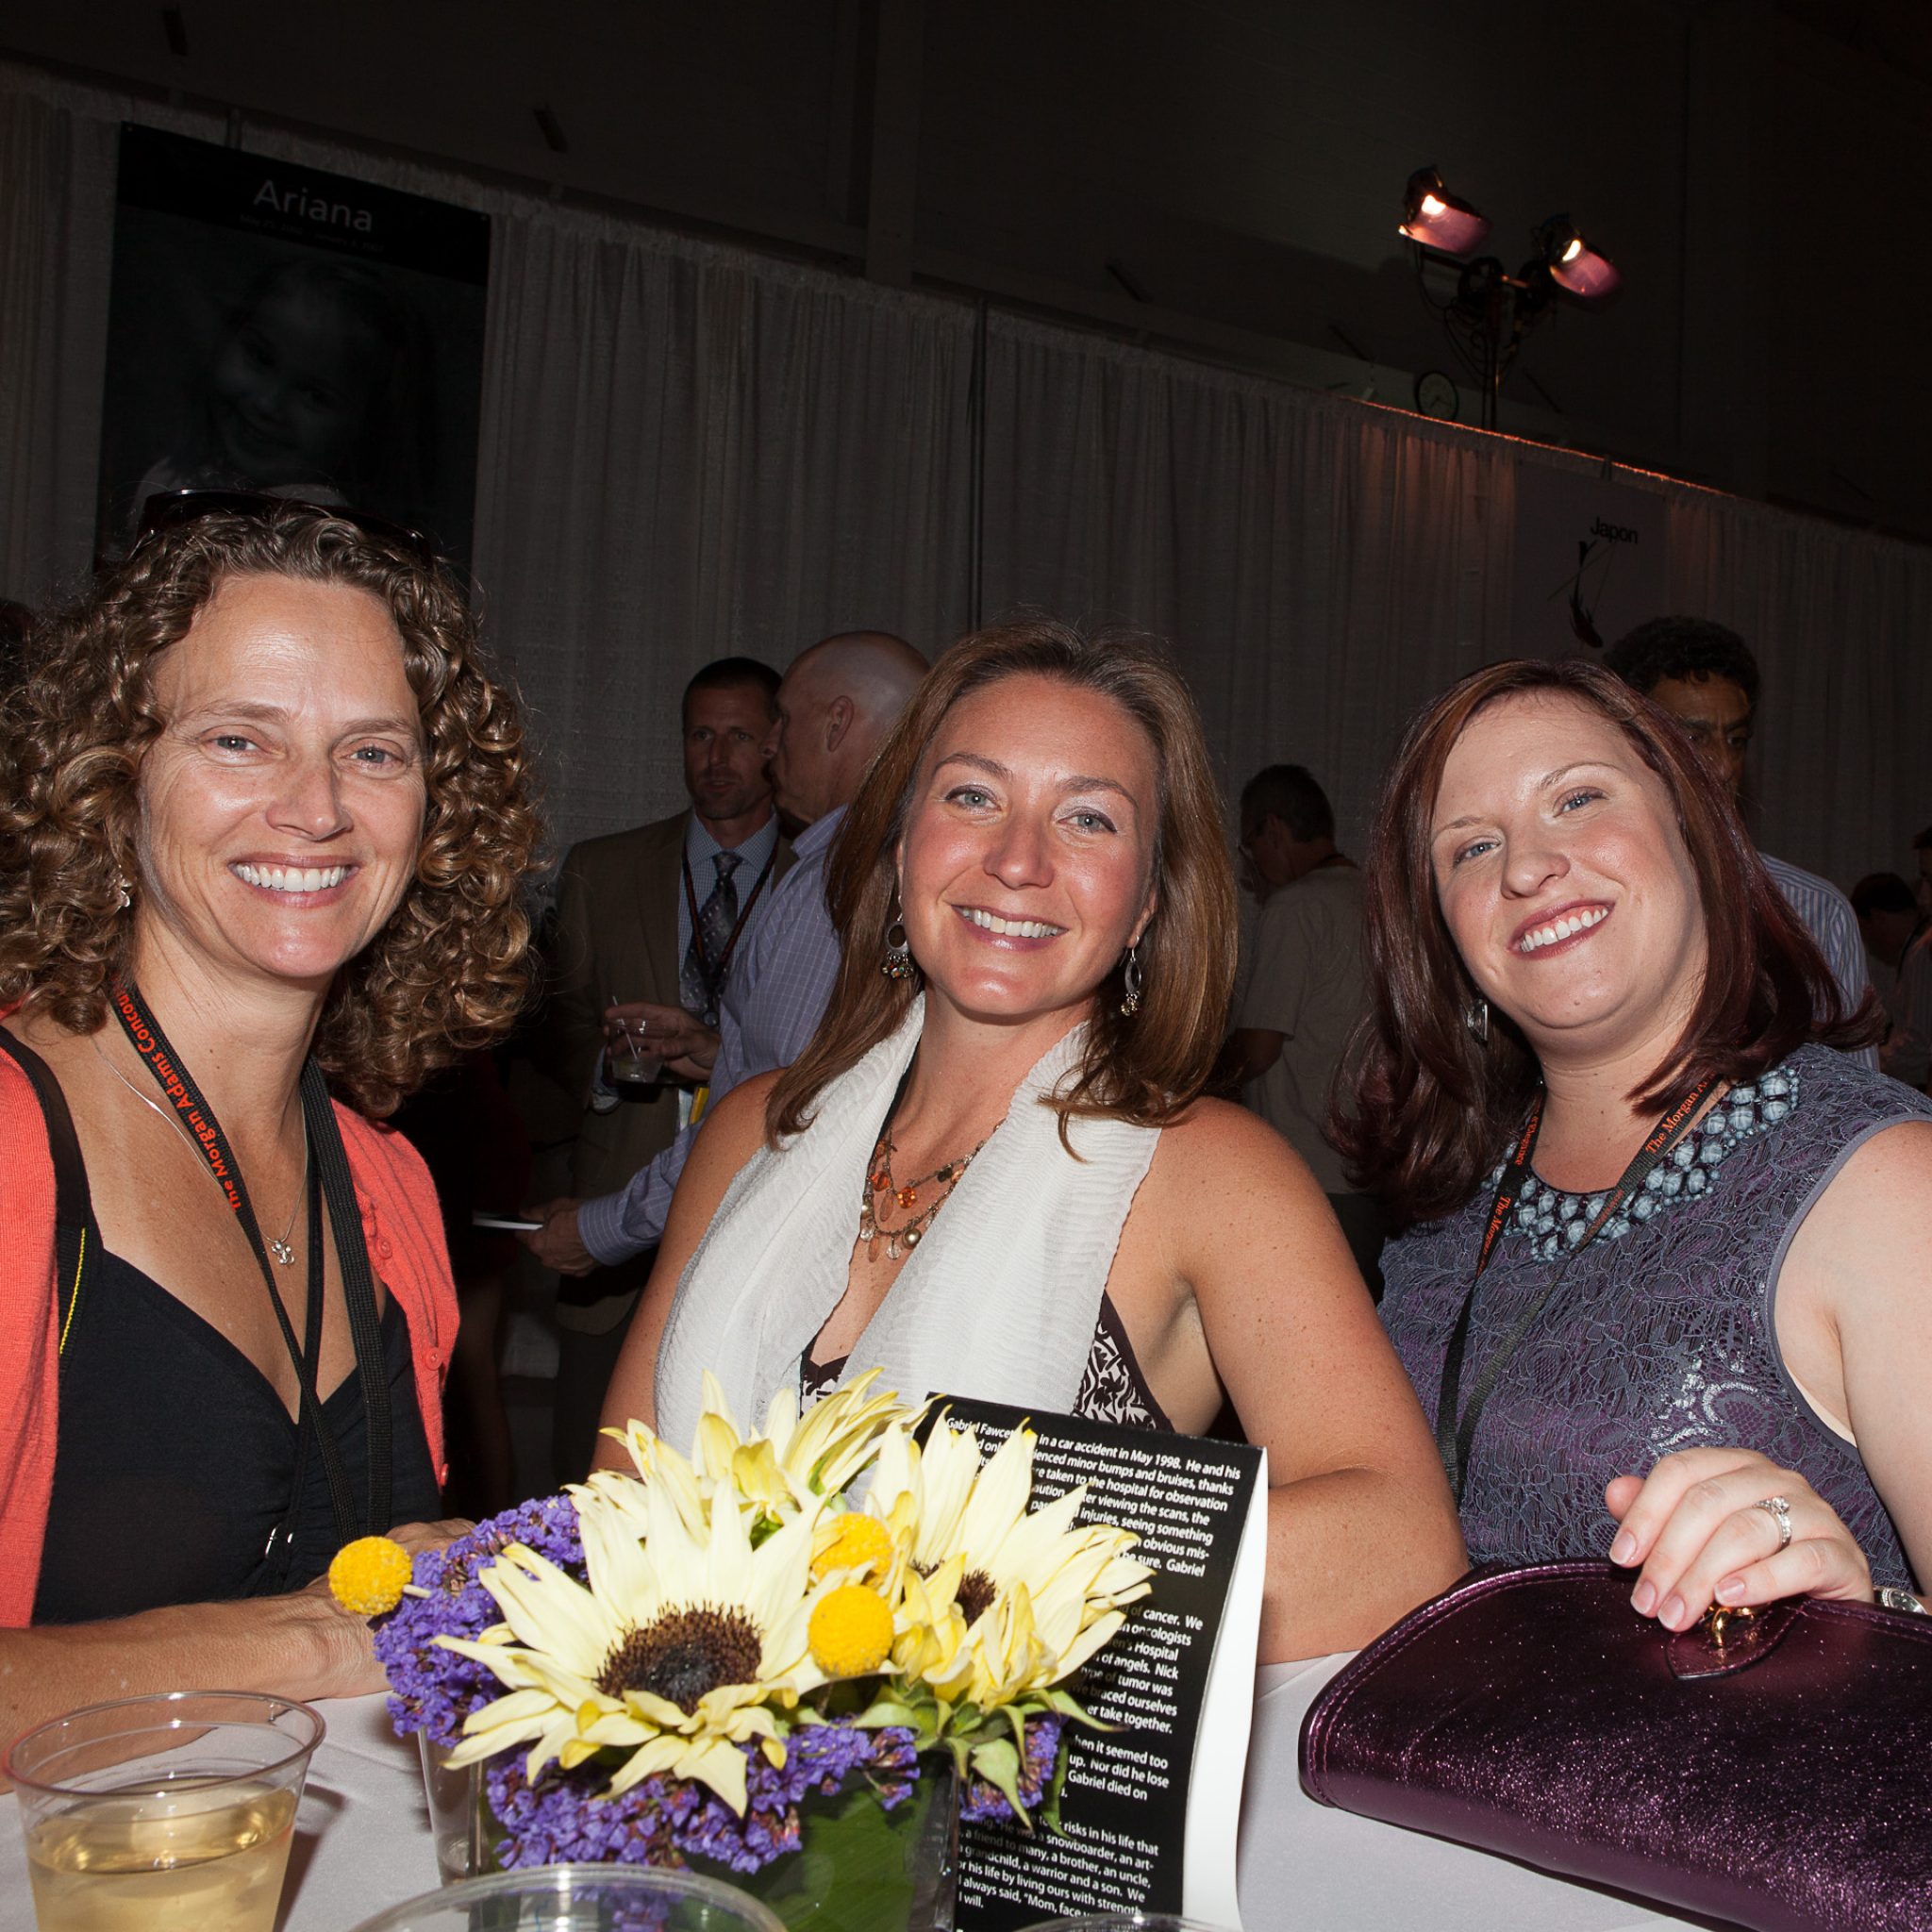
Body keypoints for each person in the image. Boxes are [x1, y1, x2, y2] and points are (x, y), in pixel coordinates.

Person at [595, 620, 1466, 1662]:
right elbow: (623, 1497)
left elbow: (1399, 1541)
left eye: (1087, 820)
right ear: (900, 838)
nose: (1017, 860)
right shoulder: (754, 1128)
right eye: (971, 796)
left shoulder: (1208, 1172)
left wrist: (967, 1601)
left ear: (1145, 902)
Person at [0, 493, 541, 1746]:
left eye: (373, 751)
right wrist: (306, 1644)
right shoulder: (19, 1141)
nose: (316, 811)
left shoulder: (390, 1184)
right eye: (240, 741)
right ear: (109, 772)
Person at [1339, 658, 1926, 1638]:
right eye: (1470, 846)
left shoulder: (1878, 1182)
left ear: (1694, 833)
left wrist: (1868, 1620)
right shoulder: (1443, 1202)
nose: (1524, 866)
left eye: (1575, 798)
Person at [523, 630, 927, 1291]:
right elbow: (840, 1069)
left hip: (770, 1258)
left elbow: (777, 1115)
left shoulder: (835, 878)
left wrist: (607, 1227)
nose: (769, 747)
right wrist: (718, 1053)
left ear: (839, 722)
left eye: (779, 725)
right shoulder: (919, 861)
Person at [537, 658, 791, 1476]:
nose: (715, 757)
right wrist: (609, 1071)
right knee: (587, 1480)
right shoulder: (601, 870)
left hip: (761, 1229)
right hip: (616, 1217)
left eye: (740, 737)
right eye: (699, 735)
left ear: (778, 747)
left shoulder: (829, 882)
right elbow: (549, 1041)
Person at [1603, 616, 1876, 1068]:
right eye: (1692, 737)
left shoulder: (1814, 912)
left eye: (1736, 739)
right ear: (1628, 743)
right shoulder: (1589, 901)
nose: (1723, 765)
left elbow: (1860, 1108)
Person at [1220, 764, 1385, 1292]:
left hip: (1304, 1175)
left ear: (1273, 831)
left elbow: (1260, 1048)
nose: (1253, 863)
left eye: (1250, 847)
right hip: (1365, 1175)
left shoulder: (1296, 908)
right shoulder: (1375, 904)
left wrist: (1189, 1087)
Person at [1851, 870, 1932, 1091]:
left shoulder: (1922, 952)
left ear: (1878, 918)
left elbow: (1919, 1043)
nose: (1923, 896)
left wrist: (1863, 1064)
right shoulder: (1916, 951)